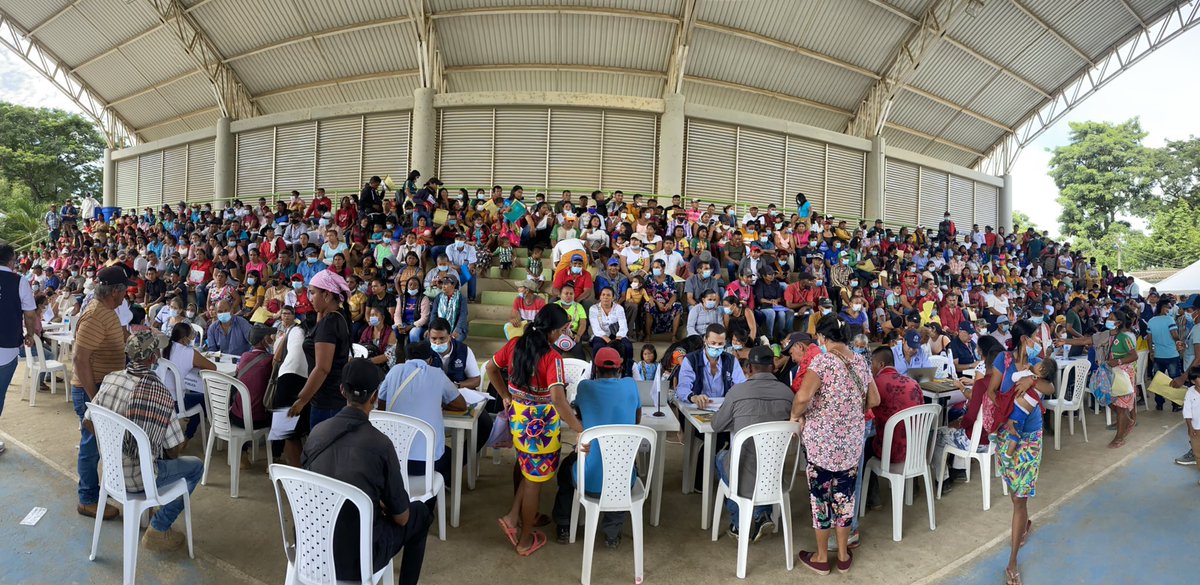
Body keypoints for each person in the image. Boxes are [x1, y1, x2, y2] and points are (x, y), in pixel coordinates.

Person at [302, 358, 431, 585]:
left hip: (311, 545)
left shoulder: (317, 433)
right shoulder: (381, 444)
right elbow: (401, 518)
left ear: (342, 390)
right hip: (356, 560)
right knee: (420, 514)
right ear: (374, 396)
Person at [87, 331, 203, 550]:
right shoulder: (159, 393)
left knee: (151, 450)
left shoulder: (111, 378)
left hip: (110, 474)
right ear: (153, 358)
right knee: (195, 467)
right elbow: (173, 450)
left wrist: (115, 446)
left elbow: (88, 422)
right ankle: (159, 528)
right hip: (139, 481)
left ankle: (155, 513)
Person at [485, 304, 584, 556]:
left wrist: (506, 395)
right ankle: (525, 540)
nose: (566, 334)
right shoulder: (553, 358)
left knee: (526, 468)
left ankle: (514, 516)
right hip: (542, 427)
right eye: (564, 329)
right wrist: (579, 429)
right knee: (534, 482)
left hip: (519, 418)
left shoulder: (515, 344)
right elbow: (559, 400)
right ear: (552, 331)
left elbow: (490, 368)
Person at [791, 317, 880, 575]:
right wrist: (850, 411)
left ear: (822, 337)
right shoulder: (860, 361)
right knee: (844, 498)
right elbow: (874, 398)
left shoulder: (823, 361)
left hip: (822, 444)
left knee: (821, 500)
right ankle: (842, 556)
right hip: (851, 442)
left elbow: (804, 396)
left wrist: (796, 413)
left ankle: (821, 557)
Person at [550, 348, 642, 546]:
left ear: (595, 370)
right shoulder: (630, 385)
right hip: (622, 482)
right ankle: (612, 532)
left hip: (587, 481)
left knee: (566, 471)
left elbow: (580, 417)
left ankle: (564, 524)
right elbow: (636, 419)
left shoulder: (585, 387)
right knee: (623, 469)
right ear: (620, 369)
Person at [711, 345, 795, 541]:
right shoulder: (788, 393)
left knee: (721, 457)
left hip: (745, 476)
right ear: (773, 366)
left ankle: (743, 523)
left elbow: (716, 425)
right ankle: (762, 513)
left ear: (748, 368)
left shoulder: (737, 392)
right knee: (758, 464)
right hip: (776, 474)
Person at [72, 266, 134, 520]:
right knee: (91, 447)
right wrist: (95, 398)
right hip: (92, 391)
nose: (126, 294)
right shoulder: (96, 315)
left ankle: (95, 492)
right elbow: (79, 359)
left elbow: (120, 337)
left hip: (101, 389)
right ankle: (87, 499)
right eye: (125, 289)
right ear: (116, 291)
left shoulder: (108, 312)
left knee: (99, 445)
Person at [991, 353, 1056, 585]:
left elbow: (1051, 386)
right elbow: (990, 391)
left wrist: (1033, 380)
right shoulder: (1003, 361)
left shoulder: (1034, 360)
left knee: (1020, 497)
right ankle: (1024, 523)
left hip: (1029, 438)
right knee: (1014, 492)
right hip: (1007, 433)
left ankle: (1012, 563)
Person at [377, 352, 468, 479]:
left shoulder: (394, 370)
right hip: (423, 464)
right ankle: (431, 494)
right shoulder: (437, 374)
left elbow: (381, 405)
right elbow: (461, 405)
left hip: (390, 462)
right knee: (452, 457)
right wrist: (439, 404)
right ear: (430, 360)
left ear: (406, 358)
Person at [286, 270, 351, 431]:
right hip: (335, 396)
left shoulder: (329, 324)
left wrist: (302, 400)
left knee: (321, 451)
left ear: (327, 295)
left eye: (313, 293)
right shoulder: (339, 316)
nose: (310, 298)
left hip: (326, 400)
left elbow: (322, 368)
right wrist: (320, 312)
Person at [0, 244, 41, 457]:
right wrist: (30, 334)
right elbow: (30, 314)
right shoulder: (20, 281)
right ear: (11, 261)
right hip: (6, 346)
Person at [161, 322, 217, 440]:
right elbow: (213, 367)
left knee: (194, 396)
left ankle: (186, 435)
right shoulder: (189, 353)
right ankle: (188, 436)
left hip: (159, 399)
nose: (192, 339)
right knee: (204, 399)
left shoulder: (165, 347)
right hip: (173, 404)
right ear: (184, 339)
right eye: (191, 336)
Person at [675, 324, 747, 407]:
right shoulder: (691, 360)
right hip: (697, 407)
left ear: (725, 343)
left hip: (724, 407)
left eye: (720, 343)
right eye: (713, 343)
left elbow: (742, 385)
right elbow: (682, 387)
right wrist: (694, 397)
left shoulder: (731, 360)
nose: (716, 347)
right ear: (705, 340)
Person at [1146, 299, 1183, 410]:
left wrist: (1151, 352)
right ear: (1162, 307)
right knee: (1175, 379)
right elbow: (1174, 335)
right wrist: (1179, 341)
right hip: (1171, 354)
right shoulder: (1169, 319)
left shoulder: (1151, 321)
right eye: (1168, 307)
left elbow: (1149, 338)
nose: (1169, 309)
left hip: (1158, 355)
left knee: (1158, 380)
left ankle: (1159, 404)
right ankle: (1175, 405)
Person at [588, 286, 631, 374]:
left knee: (627, 346)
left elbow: (623, 326)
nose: (605, 297)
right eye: (603, 295)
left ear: (613, 297)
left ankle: (627, 372)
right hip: (601, 335)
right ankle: (595, 372)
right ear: (600, 297)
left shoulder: (619, 308)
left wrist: (617, 340)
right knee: (598, 347)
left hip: (618, 335)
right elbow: (596, 329)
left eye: (608, 295)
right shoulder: (593, 309)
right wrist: (609, 341)